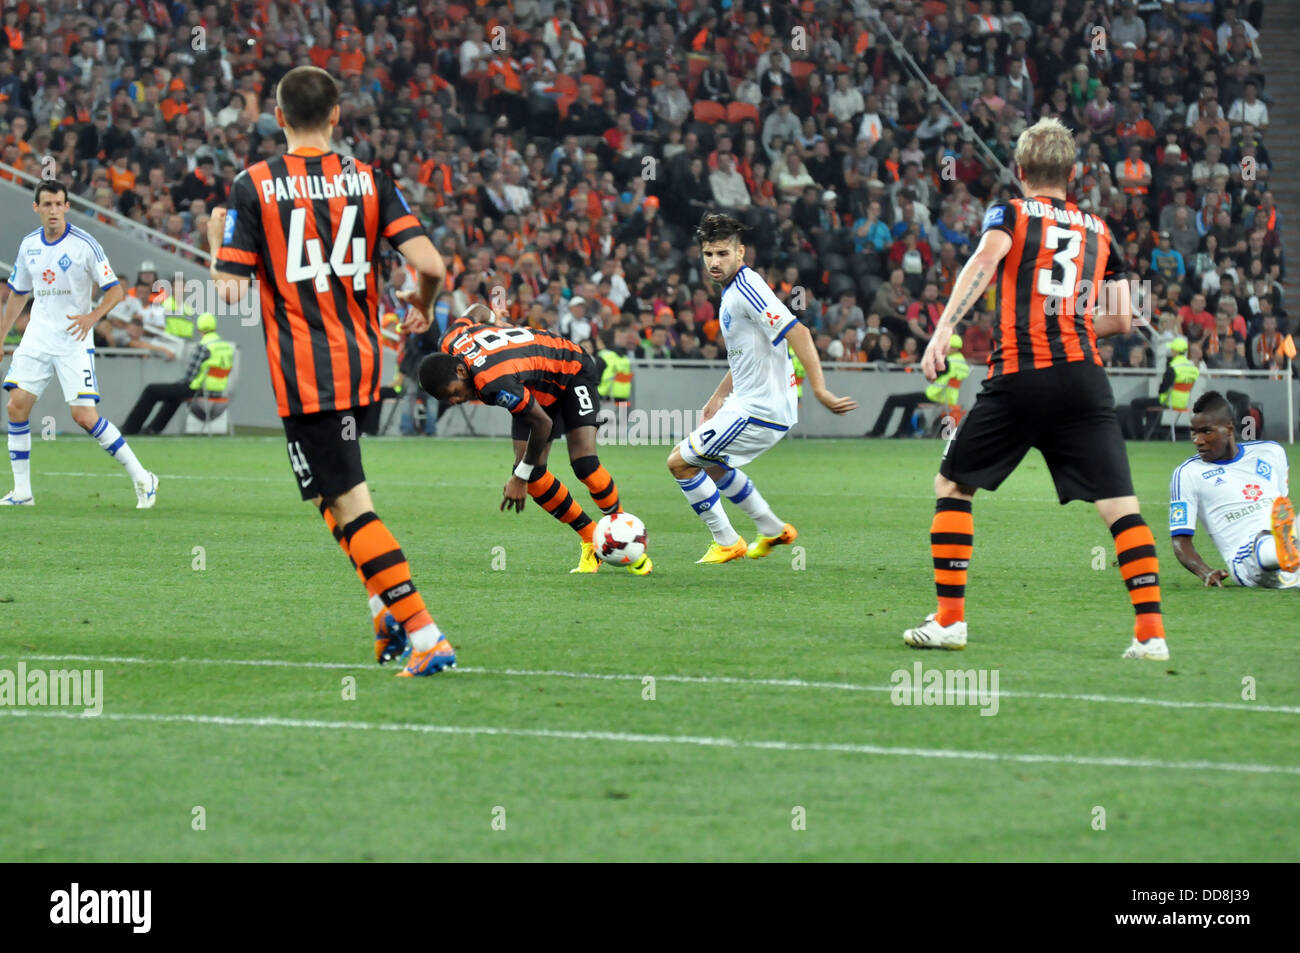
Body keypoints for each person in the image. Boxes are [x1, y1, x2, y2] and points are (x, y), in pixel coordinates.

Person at [208, 66, 455, 677]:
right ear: (337, 114)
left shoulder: (253, 185)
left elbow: (231, 294)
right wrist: (421, 306)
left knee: (348, 503)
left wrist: (217, 239)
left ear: (278, 116)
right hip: (366, 363)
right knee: (331, 493)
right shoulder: (369, 180)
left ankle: (425, 634)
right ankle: (385, 617)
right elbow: (431, 263)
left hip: (307, 372)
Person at [908, 117, 1169, 660]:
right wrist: (1068, 323)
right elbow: (1122, 319)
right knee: (1121, 505)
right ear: (1072, 175)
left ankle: (951, 621)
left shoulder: (1010, 210)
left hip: (1022, 376)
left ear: (1021, 171)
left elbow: (985, 259)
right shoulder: (1100, 229)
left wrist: (945, 326)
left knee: (953, 486)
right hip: (1085, 380)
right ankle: (1150, 635)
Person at [665, 213, 857, 563]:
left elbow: (799, 332)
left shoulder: (748, 289)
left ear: (742, 253)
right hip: (754, 405)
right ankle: (772, 529)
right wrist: (719, 395)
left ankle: (727, 541)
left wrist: (820, 389)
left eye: (723, 253)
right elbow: (747, 354)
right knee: (712, 463)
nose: (714, 262)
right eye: (709, 254)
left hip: (757, 410)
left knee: (679, 462)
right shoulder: (734, 291)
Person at [421, 319, 650, 575]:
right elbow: (476, 310)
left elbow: (543, 424)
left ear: (461, 372)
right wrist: (495, 317)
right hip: (531, 386)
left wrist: (519, 476)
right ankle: (591, 539)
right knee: (534, 476)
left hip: (570, 370)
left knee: (583, 463)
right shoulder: (450, 339)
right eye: (447, 399)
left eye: (453, 392)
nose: (454, 401)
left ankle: (625, 534)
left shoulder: (492, 382)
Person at [1, 181, 157, 508]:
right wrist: (1, 336)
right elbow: (18, 293)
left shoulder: (85, 244)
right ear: (37, 208)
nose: (54, 210)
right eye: (47, 204)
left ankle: (143, 477)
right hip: (39, 336)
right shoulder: (29, 245)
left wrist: (93, 317)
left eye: (59, 204)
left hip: (73, 339)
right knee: (16, 406)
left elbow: (114, 290)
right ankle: (22, 492)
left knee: (84, 416)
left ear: (67, 206)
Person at [1170, 391, 1298, 589]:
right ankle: (1283, 549)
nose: (1198, 440)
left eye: (1206, 431)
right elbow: (1180, 541)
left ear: (1228, 429)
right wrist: (1205, 572)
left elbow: (1281, 507)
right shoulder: (1188, 473)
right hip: (1246, 560)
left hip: (1287, 554)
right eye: (1194, 432)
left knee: (1289, 531)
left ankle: (1289, 549)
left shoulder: (1271, 452)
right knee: (1263, 544)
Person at [121, 313, 233, 435]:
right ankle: (153, 429)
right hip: (218, 390)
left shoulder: (204, 346)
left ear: (199, 329)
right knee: (174, 395)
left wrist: (178, 384)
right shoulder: (225, 346)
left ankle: (129, 429)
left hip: (199, 388)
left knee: (151, 390)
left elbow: (191, 376)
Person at [869, 334, 970, 437]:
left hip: (935, 396)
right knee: (911, 402)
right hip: (948, 398)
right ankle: (901, 432)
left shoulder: (948, 362)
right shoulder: (961, 362)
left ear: (952, 347)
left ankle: (877, 431)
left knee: (892, 399)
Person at [1126, 335, 1198, 439]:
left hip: (1170, 401)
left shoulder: (1174, 367)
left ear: (1175, 351)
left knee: (1136, 403)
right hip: (1184, 402)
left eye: (1172, 349)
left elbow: (1163, 389)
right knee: (1153, 404)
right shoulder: (1192, 367)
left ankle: (1137, 435)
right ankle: (1151, 433)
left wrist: (1161, 390)